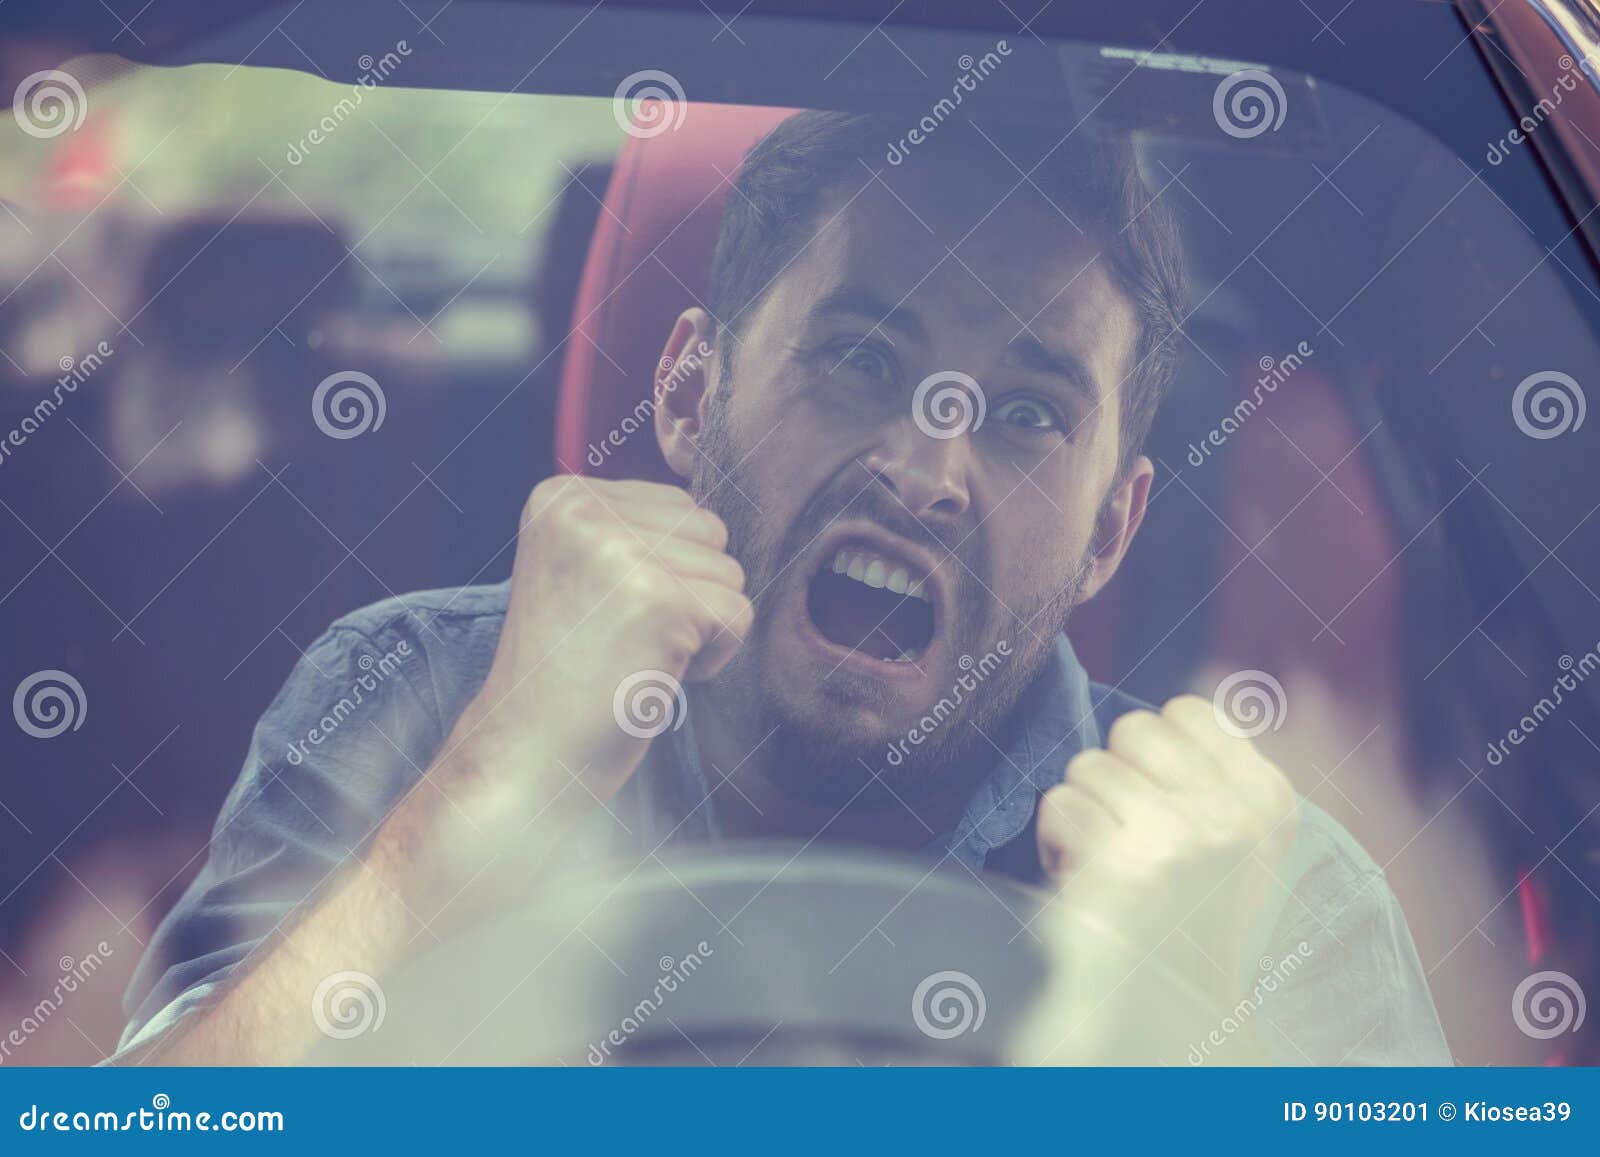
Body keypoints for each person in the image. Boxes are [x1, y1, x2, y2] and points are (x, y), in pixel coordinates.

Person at [111, 111, 1450, 1065]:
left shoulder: (1260, 888)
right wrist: (475, 801)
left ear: (1112, 529)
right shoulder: (413, 702)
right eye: (863, 357)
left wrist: (1192, 1034)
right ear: (691, 393)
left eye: (1030, 414)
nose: (928, 469)